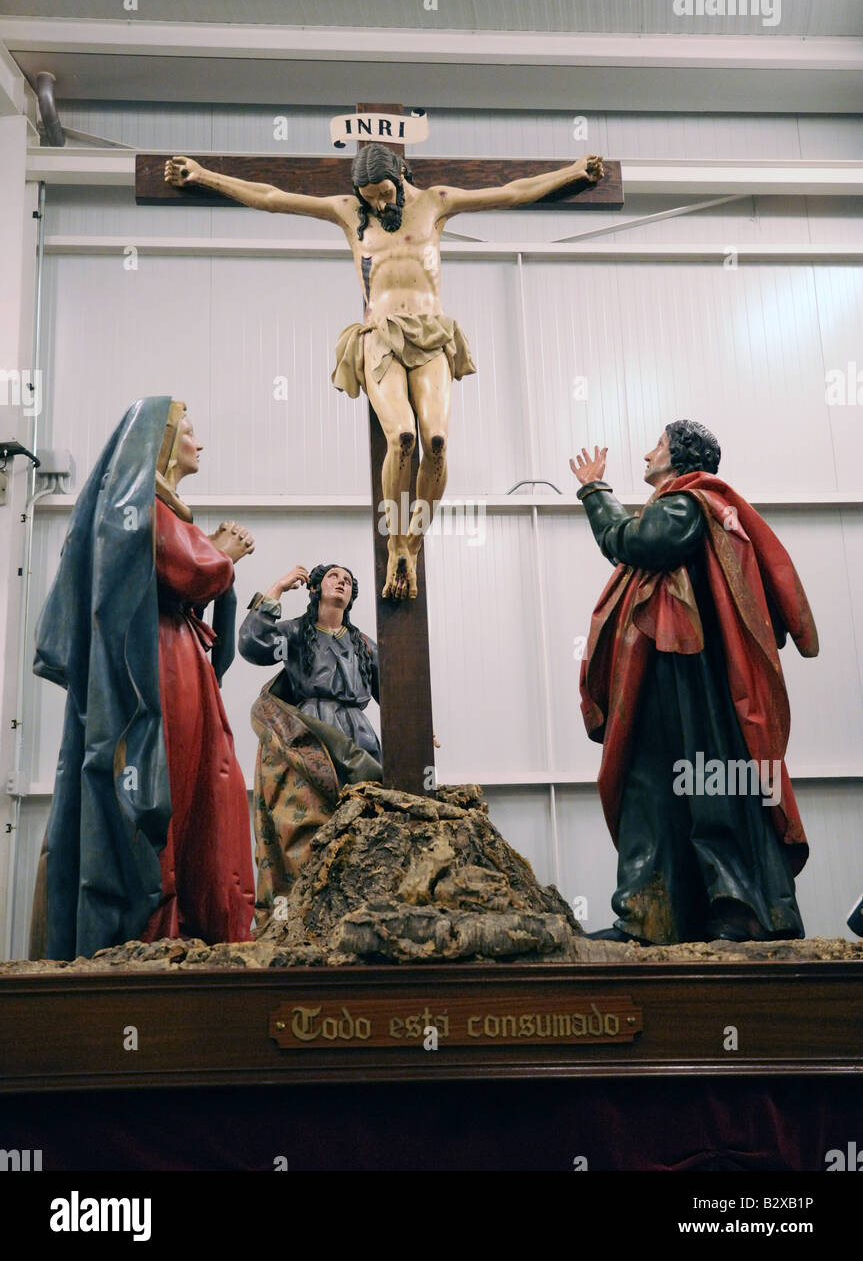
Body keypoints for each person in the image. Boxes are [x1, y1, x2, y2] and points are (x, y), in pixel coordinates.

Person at [165, 144, 603, 600]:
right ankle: (395, 542)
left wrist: (573, 171)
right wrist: (203, 176)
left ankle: (412, 543)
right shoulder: (346, 210)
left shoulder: (436, 202)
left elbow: (513, 192)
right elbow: (271, 196)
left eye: (385, 192)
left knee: (435, 441)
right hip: (380, 337)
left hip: (431, 334)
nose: (378, 203)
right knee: (403, 438)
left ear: (401, 175)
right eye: (369, 195)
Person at [571, 420, 819, 944]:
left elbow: (633, 541)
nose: (646, 454)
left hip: (690, 682)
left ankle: (736, 907)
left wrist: (595, 492)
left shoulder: (687, 505)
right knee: (651, 791)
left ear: (680, 458)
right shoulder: (688, 507)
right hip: (660, 679)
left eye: (656, 446)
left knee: (706, 785)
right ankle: (647, 915)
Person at [30, 397, 256, 959]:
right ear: (161, 442)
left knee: (200, 785)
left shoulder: (168, 509)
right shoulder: (137, 504)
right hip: (157, 669)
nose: (200, 444)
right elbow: (181, 570)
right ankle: (159, 930)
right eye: (191, 433)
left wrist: (214, 561)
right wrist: (220, 556)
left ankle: (196, 924)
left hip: (180, 661)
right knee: (165, 786)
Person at [238, 563, 382, 926]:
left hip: (357, 739)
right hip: (306, 738)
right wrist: (278, 588)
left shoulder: (363, 644)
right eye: (334, 576)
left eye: (348, 580)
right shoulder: (297, 634)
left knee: (360, 828)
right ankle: (294, 916)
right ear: (315, 588)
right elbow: (253, 644)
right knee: (302, 825)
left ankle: (353, 915)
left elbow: (394, 691)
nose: (342, 582)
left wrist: (420, 731)